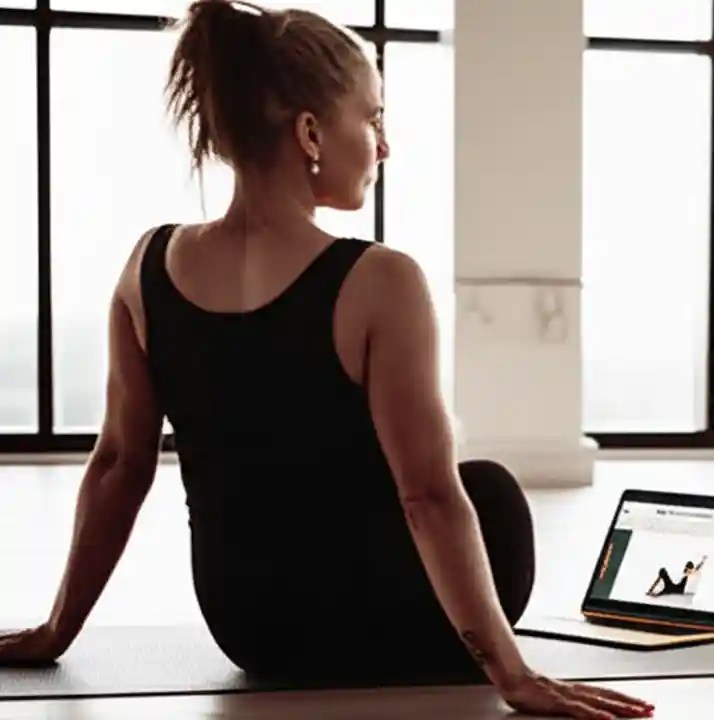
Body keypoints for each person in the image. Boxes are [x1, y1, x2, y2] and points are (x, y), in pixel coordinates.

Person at [0, 2, 652, 718]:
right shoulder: (379, 279)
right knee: (487, 489)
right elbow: (427, 496)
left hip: (249, 628)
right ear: (311, 131)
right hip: (382, 617)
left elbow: (119, 464)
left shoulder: (147, 265)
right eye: (371, 118)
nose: (383, 146)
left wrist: (56, 629)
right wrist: (514, 674)